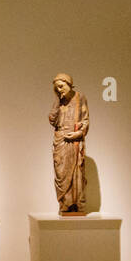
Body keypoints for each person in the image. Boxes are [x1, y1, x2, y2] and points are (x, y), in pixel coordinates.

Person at [49, 72, 88, 214]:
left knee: (76, 173)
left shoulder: (80, 98)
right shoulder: (59, 101)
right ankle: (64, 203)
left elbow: (85, 120)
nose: (59, 90)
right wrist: (57, 101)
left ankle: (75, 204)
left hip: (74, 142)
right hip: (60, 140)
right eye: (57, 88)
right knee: (60, 171)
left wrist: (78, 133)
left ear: (68, 83)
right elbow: (52, 120)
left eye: (61, 86)